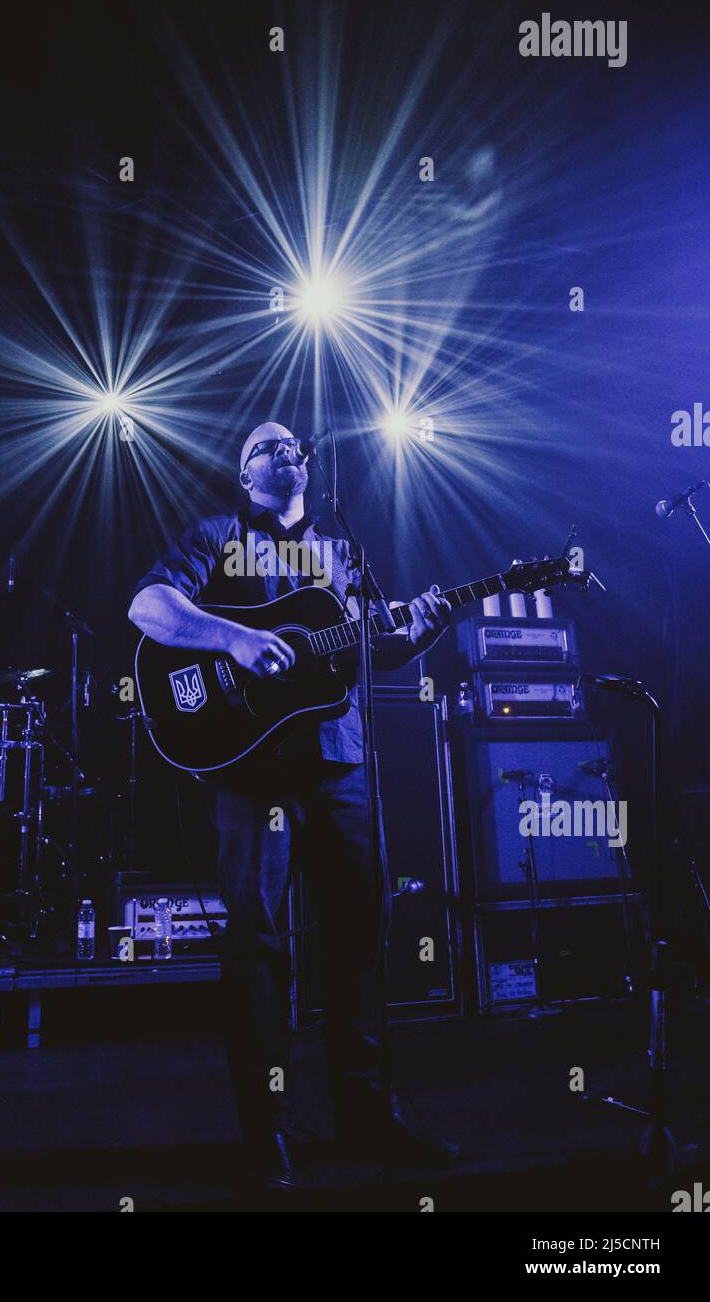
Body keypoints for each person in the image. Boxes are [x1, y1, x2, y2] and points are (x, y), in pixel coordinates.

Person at [128, 421, 458, 1188]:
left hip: (340, 764)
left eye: (291, 445)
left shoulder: (344, 551)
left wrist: (422, 628)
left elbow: (376, 641)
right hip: (253, 773)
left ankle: (369, 1118)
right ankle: (266, 1135)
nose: (286, 450)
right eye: (266, 446)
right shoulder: (215, 534)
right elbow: (147, 607)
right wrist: (232, 640)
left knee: (359, 934)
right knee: (259, 949)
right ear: (246, 476)